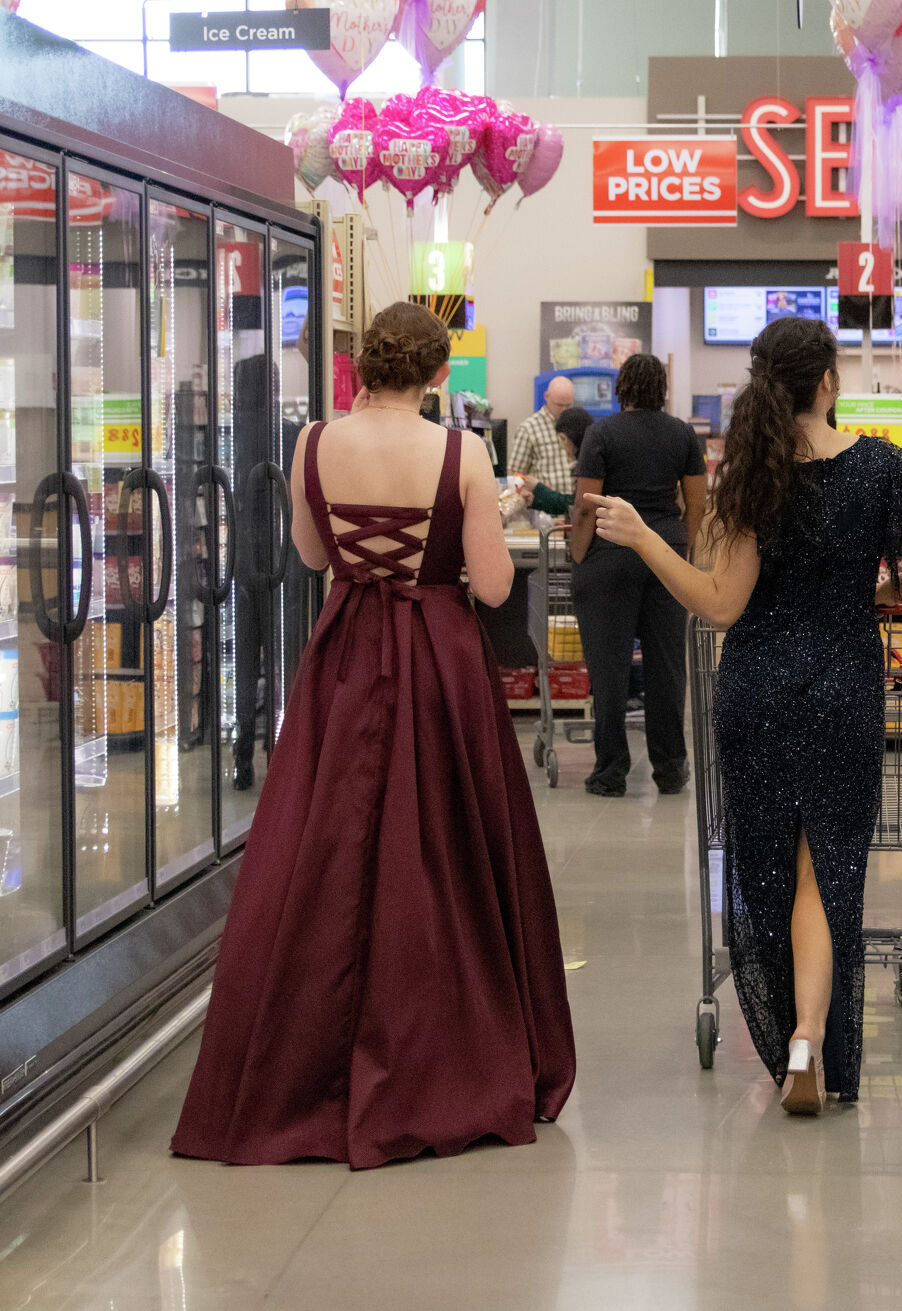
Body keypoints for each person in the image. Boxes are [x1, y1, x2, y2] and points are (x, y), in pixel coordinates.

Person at [172, 303, 576, 1169]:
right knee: (443, 849)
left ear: (361, 368)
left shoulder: (313, 443)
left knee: (328, 845)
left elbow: (314, 556)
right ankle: (437, 1052)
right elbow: (494, 587)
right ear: (437, 374)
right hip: (438, 657)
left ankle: (310, 1061)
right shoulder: (462, 453)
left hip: (348, 650)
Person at [592, 318, 902, 1114]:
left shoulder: (751, 476)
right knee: (823, 871)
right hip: (843, 688)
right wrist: (878, 593)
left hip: (755, 690)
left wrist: (645, 539)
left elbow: (721, 604)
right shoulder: (880, 466)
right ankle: (809, 1033)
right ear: (828, 381)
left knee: (766, 869)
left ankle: (791, 1034)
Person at [567, 354, 705, 796]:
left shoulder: (601, 433)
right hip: (664, 553)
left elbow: (586, 505)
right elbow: (698, 503)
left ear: (621, 388)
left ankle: (610, 773)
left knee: (609, 669)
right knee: (667, 667)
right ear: (662, 389)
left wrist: (580, 556)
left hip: (611, 553)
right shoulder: (682, 433)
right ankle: (670, 769)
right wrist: (684, 550)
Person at [509, 374, 579, 497]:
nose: (564, 410)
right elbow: (515, 473)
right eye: (559, 405)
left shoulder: (578, 424)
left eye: (568, 405)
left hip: (573, 503)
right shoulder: (529, 428)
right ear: (546, 396)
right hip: (543, 504)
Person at [526, 405, 594, 518]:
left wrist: (538, 488)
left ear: (574, 437)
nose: (563, 446)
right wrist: (534, 501)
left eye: (563, 439)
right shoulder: (587, 462)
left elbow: (575, 504)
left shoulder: (590, 466)